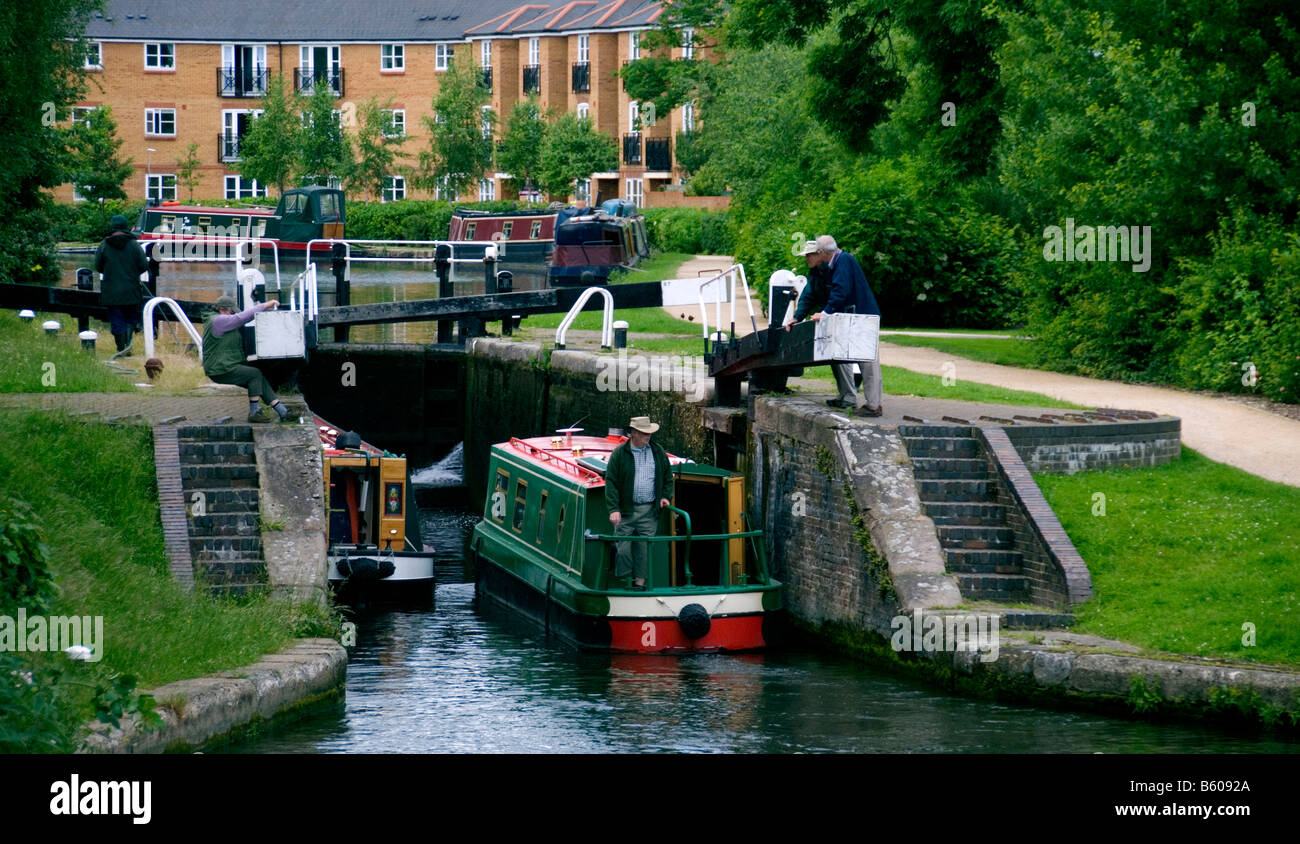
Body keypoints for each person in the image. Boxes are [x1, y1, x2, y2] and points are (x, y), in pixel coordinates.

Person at [785, 235, 883, 417]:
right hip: (844, 317)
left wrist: (826, 312)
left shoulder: (844, 261)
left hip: (861, 315)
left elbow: (841, 290)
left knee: (867, 359)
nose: (806, 259)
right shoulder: (819, 270)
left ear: (819, 253)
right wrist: (797, 317)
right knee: (837, 354)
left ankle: (874, 405)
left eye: (809, 255)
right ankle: (848, 397)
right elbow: (809, 295)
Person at [604, 416, 675, 591]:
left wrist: (665, 497)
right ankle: (625, 582)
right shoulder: (620, 454)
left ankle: (639, 585)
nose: (648, 437)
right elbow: (611, 482)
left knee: (644, 549)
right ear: (633, 433)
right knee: (623, 550)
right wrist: (614, 509)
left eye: (649, 434)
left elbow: (667, 477)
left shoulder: (657, 452)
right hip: (626, 510)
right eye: (644, 434)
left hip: (648, 510)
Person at [202, 295, 291, 423]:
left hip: (222, 365)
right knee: (254, 374)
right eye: (230, 311)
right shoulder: (219, 321)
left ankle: (283, 411)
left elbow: (242, 318)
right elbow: (241, 318)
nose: (232, 313)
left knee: (259, 379)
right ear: (222, 309)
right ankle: (254, 413)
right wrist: (265, 305)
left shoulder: (218, 320)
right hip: (219, 368)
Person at [94, 214, 149, 356]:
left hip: (111, 291)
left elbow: (98, 267)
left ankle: (120, 348)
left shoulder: (104, 245)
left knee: (116, 319)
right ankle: (128, 347)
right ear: (126, 227)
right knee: (131, 318)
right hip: (131, 289)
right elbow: (144, 265)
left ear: (113, 227)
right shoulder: (134, 245)